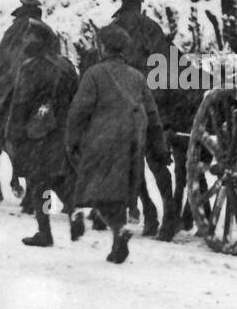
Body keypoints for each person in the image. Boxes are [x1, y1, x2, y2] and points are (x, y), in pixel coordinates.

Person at [65, 24, 168, 264]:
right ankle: (117, 234)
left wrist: (72, 138)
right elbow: (152, 115)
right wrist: (159, 146)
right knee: (118, 191)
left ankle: (82, 217)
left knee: (91, 184)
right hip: (132, 141)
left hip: (101, 139)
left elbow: (79, 110)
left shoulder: (94, 74)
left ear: (103, 48)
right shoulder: (137, 77)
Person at [6, 19, 83, 247]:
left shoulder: (30, 67)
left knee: (39, 183)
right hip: (64, 131)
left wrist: (13, 133)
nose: (25, 40)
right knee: (60, 180)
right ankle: (74, 212)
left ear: (38, 41)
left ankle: (44, 232)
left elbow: (20, 103)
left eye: (29, 37)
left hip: (39, 133)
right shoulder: (66, 66)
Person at [0, 0, 43, 125]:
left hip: (19, 79)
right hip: (45, 75)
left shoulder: (15, 29)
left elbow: (2, 58)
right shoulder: (46, 29)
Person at [111, 0, 169, 74]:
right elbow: (161, 51)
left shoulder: (114, 24)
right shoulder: (150, 24)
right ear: (138, 5)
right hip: (144, 73)